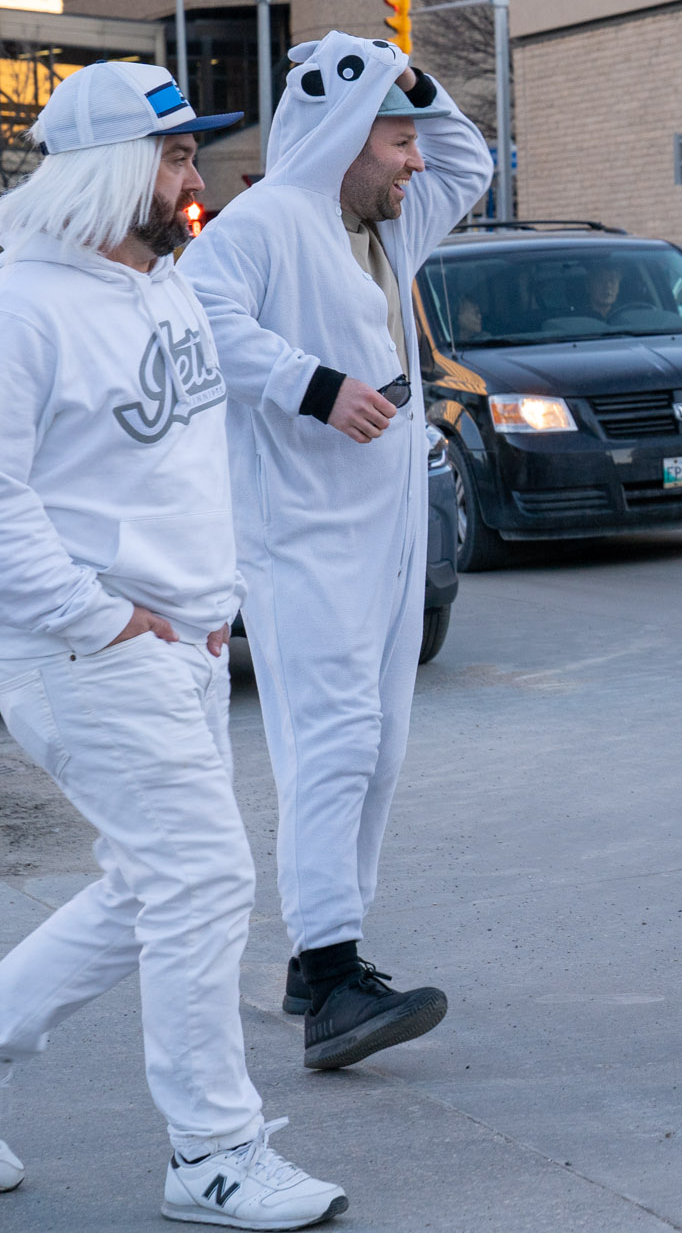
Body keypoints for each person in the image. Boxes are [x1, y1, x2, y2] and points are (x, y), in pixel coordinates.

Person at [0, 63, 347, 1227]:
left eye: (194, 154)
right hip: (84, 649)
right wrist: (104, 615)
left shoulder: (168, 286)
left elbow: (187, 461)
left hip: (186, 642)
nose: (194, 178)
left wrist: (216, 601)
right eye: (178, 157)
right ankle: (212, 1152)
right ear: (109, 169)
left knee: (147, 883)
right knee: (201, 876)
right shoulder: (18, 306)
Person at [180, 31, 492, 1071]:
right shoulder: (266, 221)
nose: (416, 159)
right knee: (335, 743)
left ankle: (321, 963)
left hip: (386, 529)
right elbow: (200, 321)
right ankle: (330, 968)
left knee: (379, 750)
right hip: (299, 533)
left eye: (410, 140)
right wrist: (312, 384)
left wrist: (415, 84)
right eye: (397, 140)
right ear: (347, 139)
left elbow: (470, 162)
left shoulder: (387, 226)